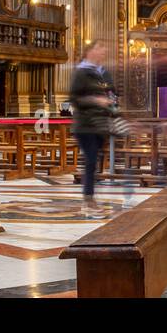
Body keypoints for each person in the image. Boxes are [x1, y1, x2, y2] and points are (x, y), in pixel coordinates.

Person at [69, 41, 116, 217]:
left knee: (95, 162)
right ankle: (88, 200)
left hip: (100, 124)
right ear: (90, 51)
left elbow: (111, 92)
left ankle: (90, 198)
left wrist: (111, 100)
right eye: (100, 49)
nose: (103, 53)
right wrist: (95, 101)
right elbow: (75, 99)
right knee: (90, 161)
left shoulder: (103, 73)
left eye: (105, 51)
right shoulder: (81, 72)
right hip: (85, 125)